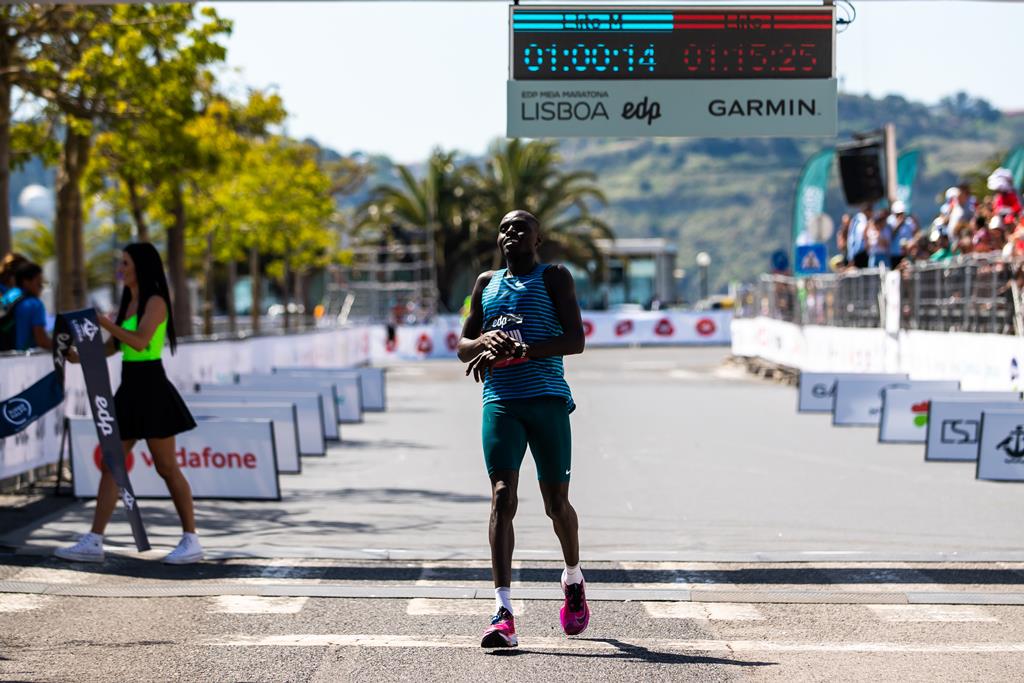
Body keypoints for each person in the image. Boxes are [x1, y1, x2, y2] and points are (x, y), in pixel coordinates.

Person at [457, 209, 588, 649]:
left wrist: (525, 348)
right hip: (500, 401)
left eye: (522, 228)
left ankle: (572, 577)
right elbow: (462, 345)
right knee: (501, 496)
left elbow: (575, 340)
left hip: (547, 399)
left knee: (556, 504)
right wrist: (485, 343)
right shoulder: (486, 284)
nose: (511, 233)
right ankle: (503, 612)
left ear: (538, 238)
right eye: (505, 228)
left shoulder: (554, 277)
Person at [56, 242, 201, 565]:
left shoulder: (156, 301)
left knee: (166, 467)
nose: (120, 269)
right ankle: (94, 539)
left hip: (152, 387)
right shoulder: (128, 302)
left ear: (141, 267)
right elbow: (114, 348)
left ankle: (191, 538)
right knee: (111, 464)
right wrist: (76, 356)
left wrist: (104, 323)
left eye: (125, 263)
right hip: (129, 387)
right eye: (120, 263)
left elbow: (139, 341)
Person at [3, 262, 52, 351]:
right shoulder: (34, 304)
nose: (41, 287)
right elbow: (42, 341)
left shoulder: (8, 296)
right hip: (21, 361)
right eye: (39, 282)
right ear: (26, 282)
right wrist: (64, 348)